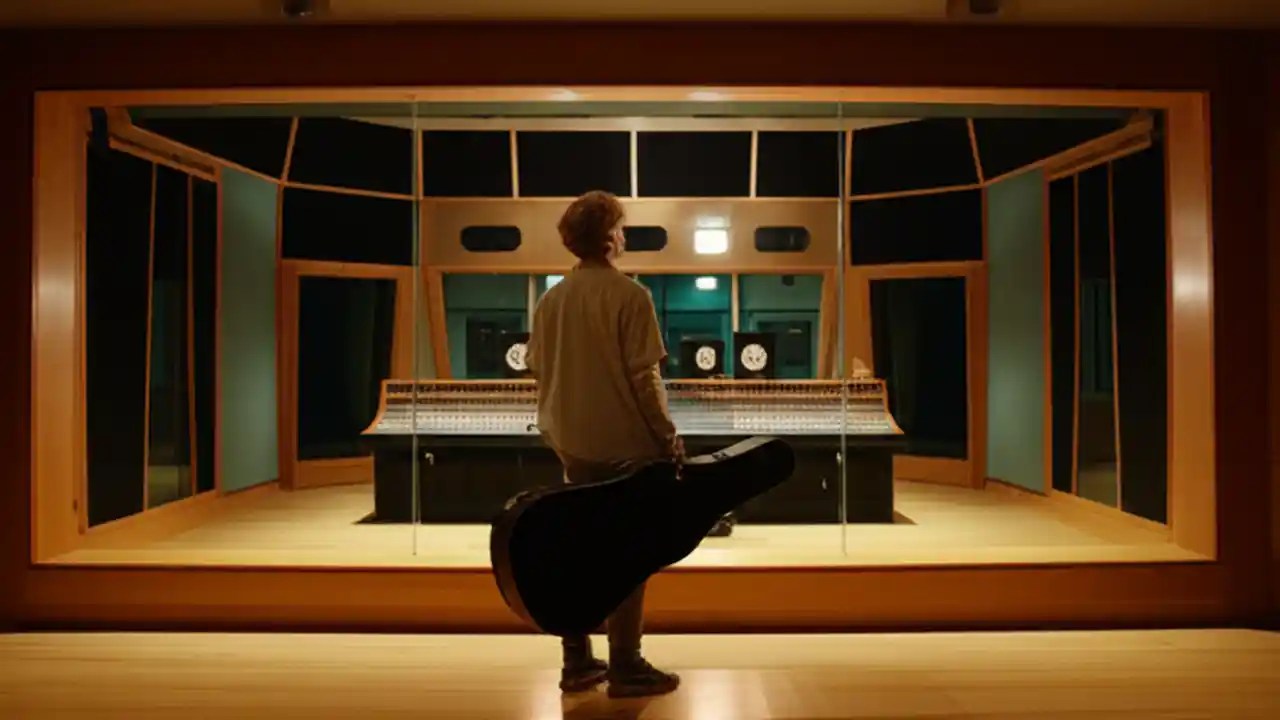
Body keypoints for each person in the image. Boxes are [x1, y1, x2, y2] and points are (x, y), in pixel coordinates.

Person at [526, 190, 683, 699]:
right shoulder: (630, 296)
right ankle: (626, 664)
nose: (624, 234)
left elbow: (538, 370)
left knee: (578, 549)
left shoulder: (550, 300)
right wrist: (667, 436)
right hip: (625, 447)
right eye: (621, 226)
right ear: (610, 237)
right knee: (629, 553)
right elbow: (645, 379)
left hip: (570, 445)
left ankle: (577, 663)